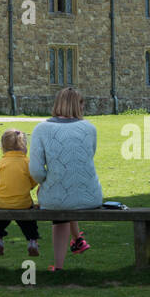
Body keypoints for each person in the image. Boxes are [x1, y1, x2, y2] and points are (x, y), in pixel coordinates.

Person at [29, 87, 102, 272]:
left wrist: (45, 182)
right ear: (79, 105)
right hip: (91, 196)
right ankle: (77, 240)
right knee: (65, 193)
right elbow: (87, 157)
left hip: (56, 198)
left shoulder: (41, 129)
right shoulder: (89, 128)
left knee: (58, 200)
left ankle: (59, 267)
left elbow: (36, 171)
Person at [0, 129, 40, 257]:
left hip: (1, 203)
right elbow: (33, 182)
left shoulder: (0, 163)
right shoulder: (27, 162)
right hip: (23, 203)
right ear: (24, 146)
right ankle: (32, 241)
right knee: (29, 222)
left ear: (2, 146)